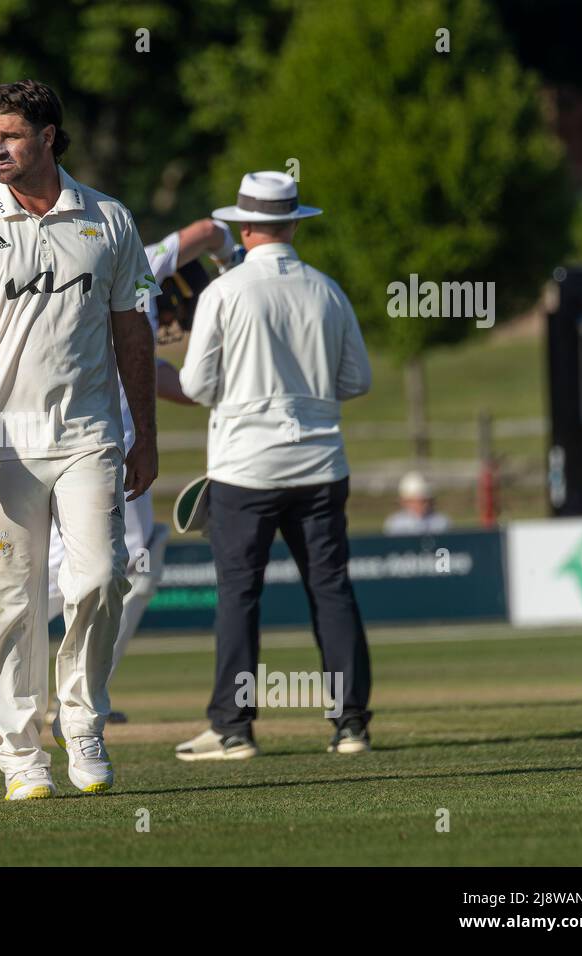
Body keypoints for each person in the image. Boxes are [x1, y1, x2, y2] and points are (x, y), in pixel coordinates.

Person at [0, 80, 157, 800]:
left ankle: (81, 721)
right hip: (0, 444)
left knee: (102, 576)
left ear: (49, 137)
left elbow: (132, 333)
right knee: (10, 601)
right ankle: (21, 753)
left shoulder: (107, 220)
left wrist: (144, 434)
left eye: (11, 136)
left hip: (89, 434)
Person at [0, 216, 239, 731]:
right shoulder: (144, 260)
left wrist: (232, 384)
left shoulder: (131, 278)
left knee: (76, 567)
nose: (170, 330)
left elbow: (166, 379)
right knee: (129, 564)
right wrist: (234, 259)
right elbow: (210, 227)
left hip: (65, 439)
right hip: (95, 443)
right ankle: (79, 697)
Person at [174, 170, 375, 761]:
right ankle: (351, 726)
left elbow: (197, 385)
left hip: (247, 467)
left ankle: (234, 729)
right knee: (332, 590)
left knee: (240, 595)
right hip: (319, 463)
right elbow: (357, 380)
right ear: (292, 222)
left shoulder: (225, 292)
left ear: (244, 224)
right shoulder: (326, 290)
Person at [383, 471, 451, 535]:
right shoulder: (395, 523)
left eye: (425, 501)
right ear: (404, 502)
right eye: (416, 501)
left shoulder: (441, 522)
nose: (423, 505)